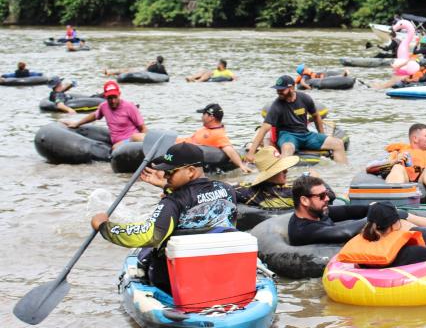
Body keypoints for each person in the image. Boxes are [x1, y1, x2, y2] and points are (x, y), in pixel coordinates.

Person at [90, 142, 238, 293]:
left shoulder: (173, 201)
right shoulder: (227, 190)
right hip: (221, 270)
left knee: (146, 253)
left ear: (190, 171)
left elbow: (147, 235)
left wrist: (104, 226)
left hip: (177, 280)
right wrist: (168, 187)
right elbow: (197, 197)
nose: (166, 176)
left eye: (170, 172)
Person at [287, 176, 426, 245]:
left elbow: (348, 212)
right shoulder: (302, 229)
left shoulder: (318, 212)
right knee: (389, 219)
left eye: (327, 194)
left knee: (388, 213)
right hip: (337, 252)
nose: (327, 199)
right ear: (304, 200)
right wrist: (378, 214)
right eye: (322, 196)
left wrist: (374, 207)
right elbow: (343, 233)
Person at [246, 75, 348, 164]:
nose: (279, 92)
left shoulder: (304, 98)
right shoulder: (276, 105)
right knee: (287, 148)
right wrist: (251, 153)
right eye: (277, 89)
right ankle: (283, 175)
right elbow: (264, 128)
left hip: (305, 134)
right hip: (287, 136)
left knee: (338, 143)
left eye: (282, 89)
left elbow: (316, 116)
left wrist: (322, 135)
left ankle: (343, 172)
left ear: (292, 88)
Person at [63, 80, 146, 148]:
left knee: (135, 137)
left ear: (119, 94)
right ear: (105, 97)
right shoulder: (104, 106)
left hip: (133, 141)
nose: (113, 101)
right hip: (119, 144)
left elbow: (143, 128)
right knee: (115, 147)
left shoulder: (129, 107)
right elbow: (94, 116)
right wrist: (77, 123)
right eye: (110, 98)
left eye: (115, 97)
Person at [176, 103, 250, 173]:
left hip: (188, 153)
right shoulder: (206, 129)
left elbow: (229, 149)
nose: (201, 117)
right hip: (179, 146)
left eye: (204, 114)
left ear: (211, 118)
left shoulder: (218, 134)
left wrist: (241, 166)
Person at [235, 147, 308, 209]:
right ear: (271, 174)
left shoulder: (248, 191)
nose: (286, 171)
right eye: (281, 169)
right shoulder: (287, 193)